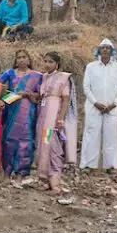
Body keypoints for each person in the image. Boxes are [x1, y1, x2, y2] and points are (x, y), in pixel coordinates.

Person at [81, 40, 117, 175]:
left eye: (108, 48)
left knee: (112, 136)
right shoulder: (91, 66)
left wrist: (114, 103)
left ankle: (111, 166)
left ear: (112, 51)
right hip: (94, 108)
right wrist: (95, 103)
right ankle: (89, 165)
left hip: (113, 109)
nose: (105, 50)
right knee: (91, 136)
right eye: (103, 48)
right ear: (99, 50)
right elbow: (86, 87)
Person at [0, 49, 43, 182]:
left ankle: (20, 173)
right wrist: (0, 98)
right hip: (11, 109)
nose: (21, 60)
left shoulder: (37, 76)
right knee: (8, 139)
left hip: (28, 110)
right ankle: (7, 172)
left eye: (24, 57)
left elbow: (40, 96)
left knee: (26, 140)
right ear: (15, 60)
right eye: (18, 57)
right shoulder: (9, 73)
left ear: (29, 59)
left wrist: (27, 94)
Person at [35, 51, 76, 192]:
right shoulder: (44, 77)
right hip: (43, 114)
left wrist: (60, 118)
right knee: (43, 144)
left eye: (50, 62)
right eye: (45, 61)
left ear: (57, 64)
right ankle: (44, 178)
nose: (47, 64)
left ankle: (55, 179)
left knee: (53, 145)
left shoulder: (63, 78)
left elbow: (65, 100)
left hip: (53, 113)